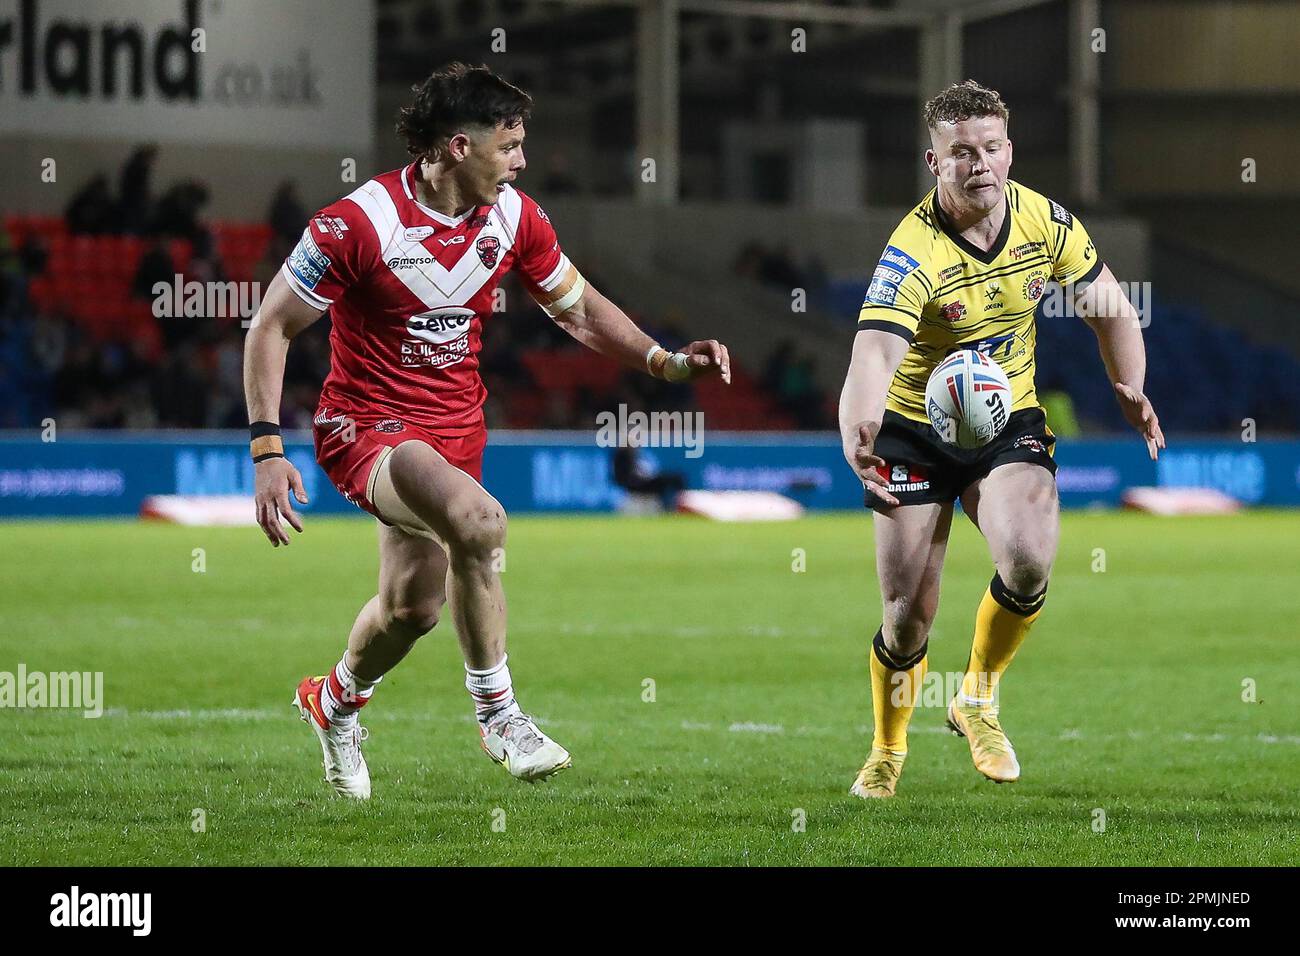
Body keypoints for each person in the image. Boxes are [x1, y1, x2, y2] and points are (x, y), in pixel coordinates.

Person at [244, 62, 731, 799]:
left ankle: (334, 702)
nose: (522, 161)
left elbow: (578, 308)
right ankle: (500, 717)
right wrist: (266, 448)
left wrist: (662, 361)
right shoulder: (357, 223)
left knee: (413, 609)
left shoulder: (514, 218)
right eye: (510, 146)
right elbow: (270, 326)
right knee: (480, 523)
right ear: (459, 147)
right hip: (366, 428)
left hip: (456, 432)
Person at [839, 80, 1164, 798]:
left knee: (1028, 559)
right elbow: (873, 355)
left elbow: (1111, 309)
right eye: (962, 152)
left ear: (1009, 151)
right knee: (906, 619)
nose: (979, 163)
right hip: (912, 431)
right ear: (935, 161)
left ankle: (976, 699)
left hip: (1007, 418)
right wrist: (858, 430)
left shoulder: (1046, 223)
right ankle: (888, 750)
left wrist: (1129, 383)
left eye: (990, 148)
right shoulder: (912, 251)